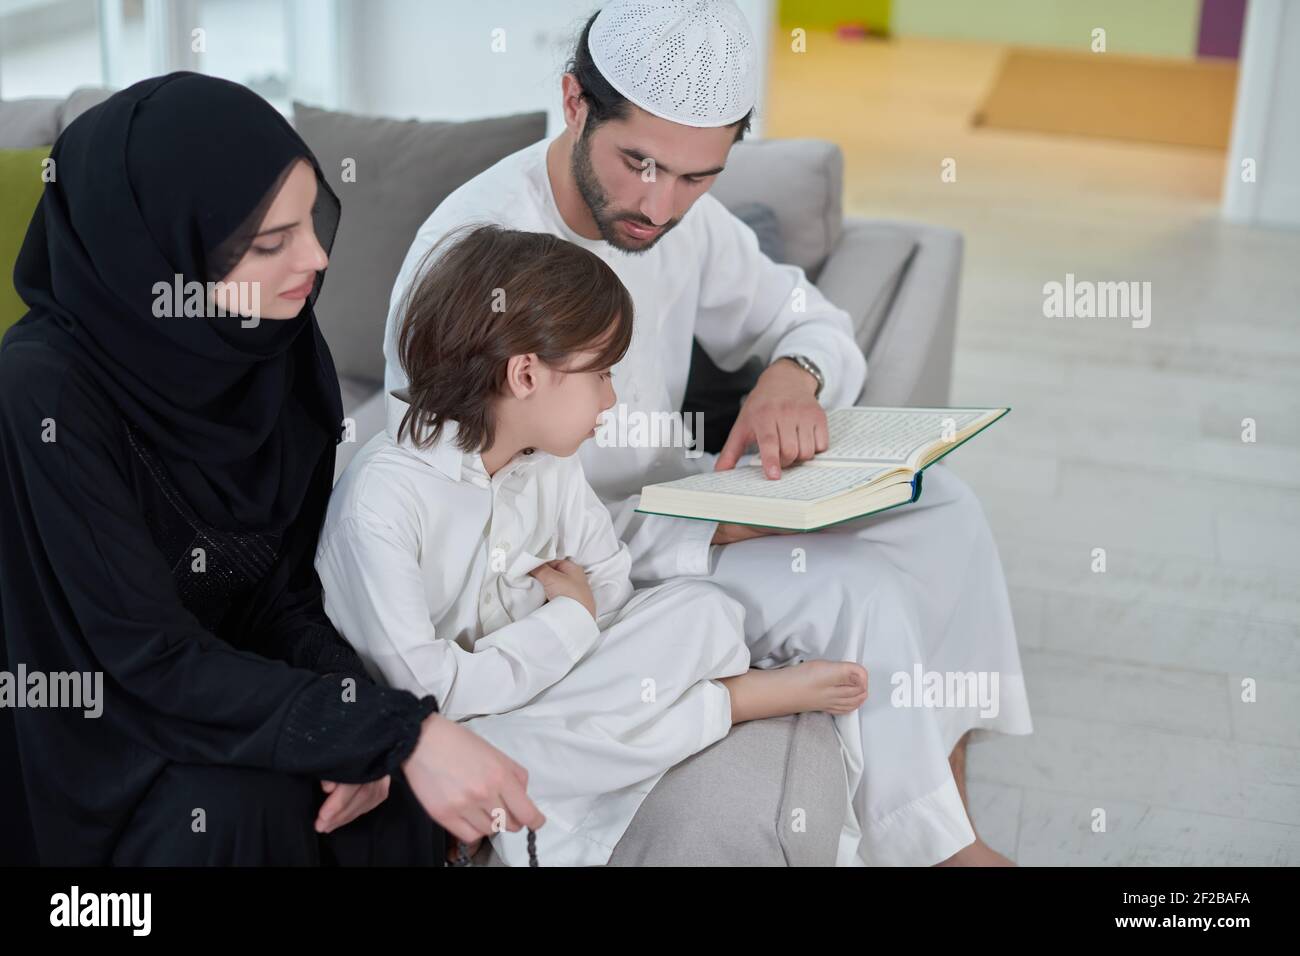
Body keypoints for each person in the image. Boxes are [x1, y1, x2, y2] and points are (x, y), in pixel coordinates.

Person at [381, 0, 1033, 866]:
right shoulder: (475, 253)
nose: (659, 204)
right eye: (638, 163)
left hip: (676, 502)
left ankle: (945, 805)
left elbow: (813, 320)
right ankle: (944, 853)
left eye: (698, 176)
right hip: (573, 570)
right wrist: (710, 526)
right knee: (859, 591)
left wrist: (789, 377)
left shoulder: (680, 220)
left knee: (944, 507)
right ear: (575, 103)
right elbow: (481, 537)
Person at [0, 72, 539, 865]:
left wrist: (369, 726)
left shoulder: (274, 343)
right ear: (163, 253)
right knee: (242, 817)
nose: (317, 258)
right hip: (92, 720)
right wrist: (392, 731)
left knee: (386, 800)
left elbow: (281, 598)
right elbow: (142, 655)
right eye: (268, 243)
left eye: (311, 219)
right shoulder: (41, 390)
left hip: (219, 688)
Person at [316, 224, 868, 866]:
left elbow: (611, 581)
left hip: (550, 683)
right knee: (508, 741)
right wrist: (566, 622)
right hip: (447, 728)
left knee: (703, 611)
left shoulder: (547, 462)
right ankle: (722, 704)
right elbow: (427, 693)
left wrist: (573, 624)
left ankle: (546, 767)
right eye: (601, 374)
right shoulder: (384, 499)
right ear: (525, 373)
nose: (611, 398)